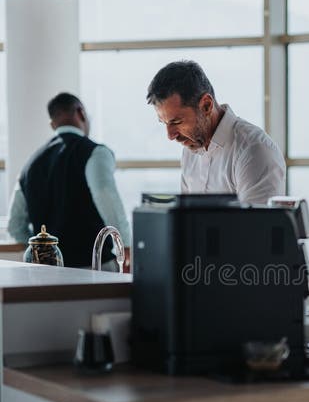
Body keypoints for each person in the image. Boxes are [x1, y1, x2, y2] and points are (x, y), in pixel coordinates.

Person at [8, 92, 131, 270]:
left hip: (47, 273)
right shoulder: (94, 152)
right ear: (81, 112)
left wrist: (42, 252)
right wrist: (125, 247)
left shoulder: (31, 164)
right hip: (94, 269)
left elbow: (15, 225)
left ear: (52, 124)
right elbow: (107, 200)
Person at [146, 60, 285, 204]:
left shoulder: (254, 150)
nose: (170, 136)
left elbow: (258, 219)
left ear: (206, 105)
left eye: (176, 122)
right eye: (164, 123)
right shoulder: (190, 151)